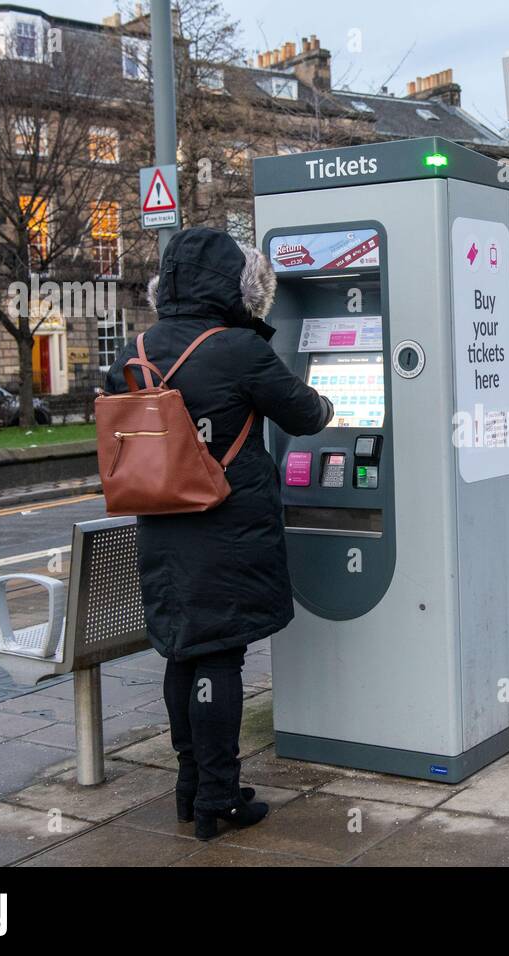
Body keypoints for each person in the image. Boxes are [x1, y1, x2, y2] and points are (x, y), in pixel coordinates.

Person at [105, 228, 332, 840]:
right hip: (226, 527)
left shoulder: (136, 350)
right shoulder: (236, 348)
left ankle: (190, 787)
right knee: (220, 656)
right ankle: (219, 798)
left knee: (184, 651)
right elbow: (306, 415)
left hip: (161, 528)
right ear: (238, 286)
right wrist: (332, 403)